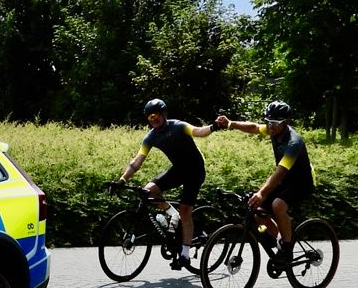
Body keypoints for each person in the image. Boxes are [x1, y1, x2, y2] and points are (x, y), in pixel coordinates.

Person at [118, 98, 216, 268]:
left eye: (155, 115)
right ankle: (172, 214)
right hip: (178, 169)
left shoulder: (178, 126)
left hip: (195, 171)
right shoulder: (151, 137)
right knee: (149, 190)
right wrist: (122, 179)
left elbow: (199, 131)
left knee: (186, 210)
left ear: (164, 114)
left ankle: (185, 253)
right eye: (149, 117)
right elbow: (137, 161)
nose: (153, 119)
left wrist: (214, 126)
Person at [215, 101, 314, 271]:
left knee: (277, 205)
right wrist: (231, 123)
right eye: (268, 121)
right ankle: (278, 240)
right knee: (257, 210)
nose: (270, 126)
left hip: (302, 183)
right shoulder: (273, 129)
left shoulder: (293, 142)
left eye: (274, 123)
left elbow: (280, 172)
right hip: (285, 180)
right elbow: (253, 127)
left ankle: (288, 248)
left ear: (285, 122)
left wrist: (261, 193)